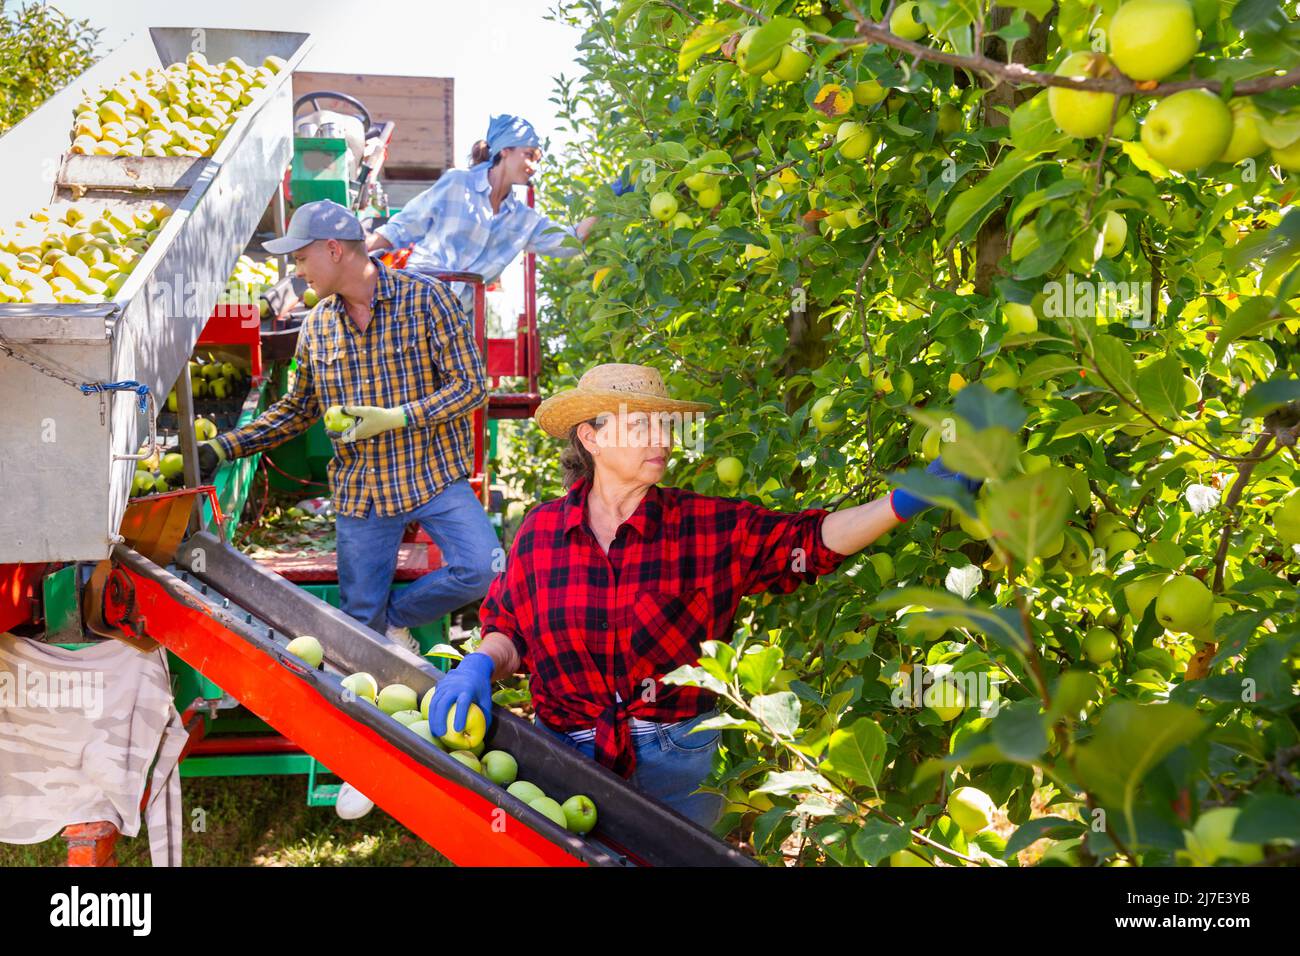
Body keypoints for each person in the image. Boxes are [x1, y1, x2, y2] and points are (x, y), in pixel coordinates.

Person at [425, 363, 980, 829]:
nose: (662, 440)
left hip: (679, 755)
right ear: (590, 437)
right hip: (567, 752)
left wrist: (902, 503)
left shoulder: (707, 526)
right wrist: (479, 662)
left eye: (664, 426)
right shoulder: (541, 530)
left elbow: (810, 542)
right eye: (640, 425)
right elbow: (511, 630)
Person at [198, 200, 498, 650]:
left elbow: (472, 386)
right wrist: (225, 447)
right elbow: (299, 409)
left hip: (432, 476)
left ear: (334, 249)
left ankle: (396, 619)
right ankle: (377, 661)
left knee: (484, 568)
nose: (298, 271)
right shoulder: (318, 325)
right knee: (360, 625)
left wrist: (396, 418)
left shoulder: (427, 300)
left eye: (301, 258)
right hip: (364, 490)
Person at [366, 113, 597, 317]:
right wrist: (358, 247)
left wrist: (609, 202)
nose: (533, 167)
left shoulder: (523, 220)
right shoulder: (458, 184)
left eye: (537, 160)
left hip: (461, 314)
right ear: (505, 151)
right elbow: (404, 226)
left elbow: (570, 242)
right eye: (529, 155)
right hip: (419, 299)